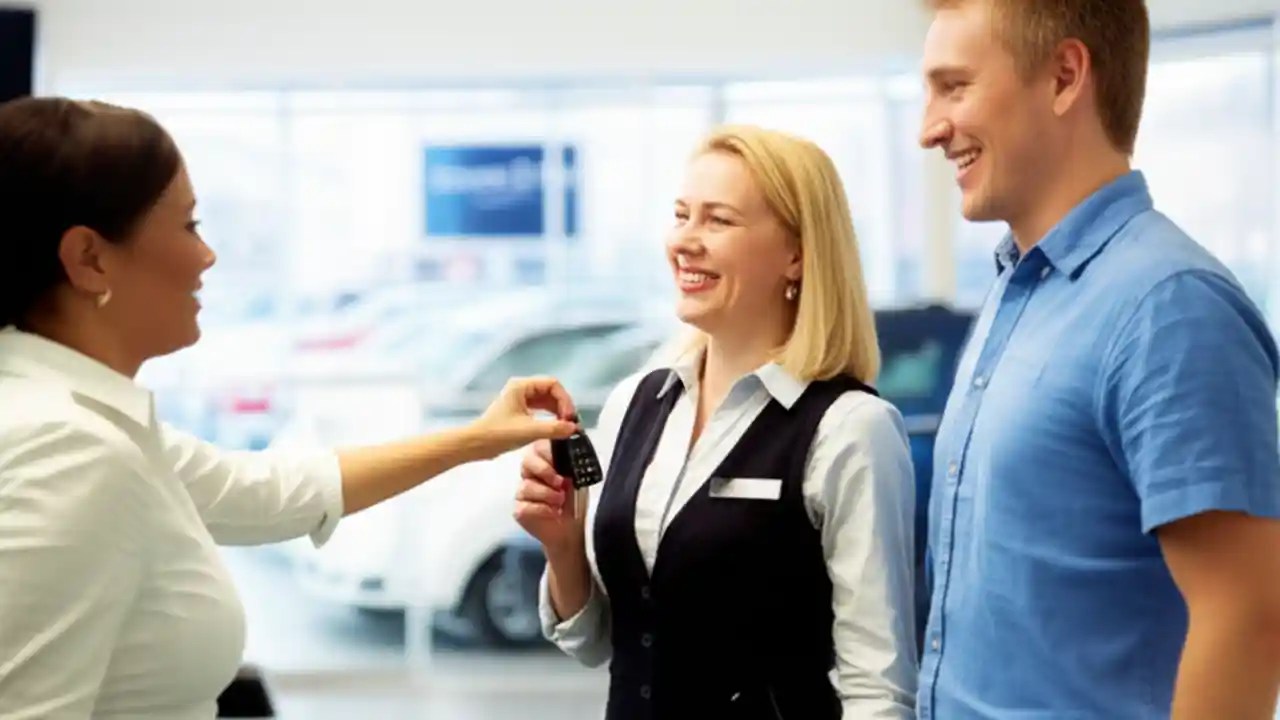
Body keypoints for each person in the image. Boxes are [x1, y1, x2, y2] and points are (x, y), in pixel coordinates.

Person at [0, 96, 581, 720]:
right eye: (189, 226)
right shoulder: (70, 451)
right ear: (90, 259)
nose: (207, 257)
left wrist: (477, 438)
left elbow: (271, 489)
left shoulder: (89, 424)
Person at [916, 1, 1280, 718]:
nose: (929, 127)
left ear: (1064, 75)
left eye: (954, 88)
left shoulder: (1169, 308)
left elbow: (1251, 620)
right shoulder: (1019, 290)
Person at [514, 124, 919, 719]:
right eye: (681, 216)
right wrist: (563, 546)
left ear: (797, 254)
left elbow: (878, 688)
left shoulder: (851, 428)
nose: (685, 241)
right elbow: (597, 641)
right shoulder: (636, 402)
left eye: (718, 220)